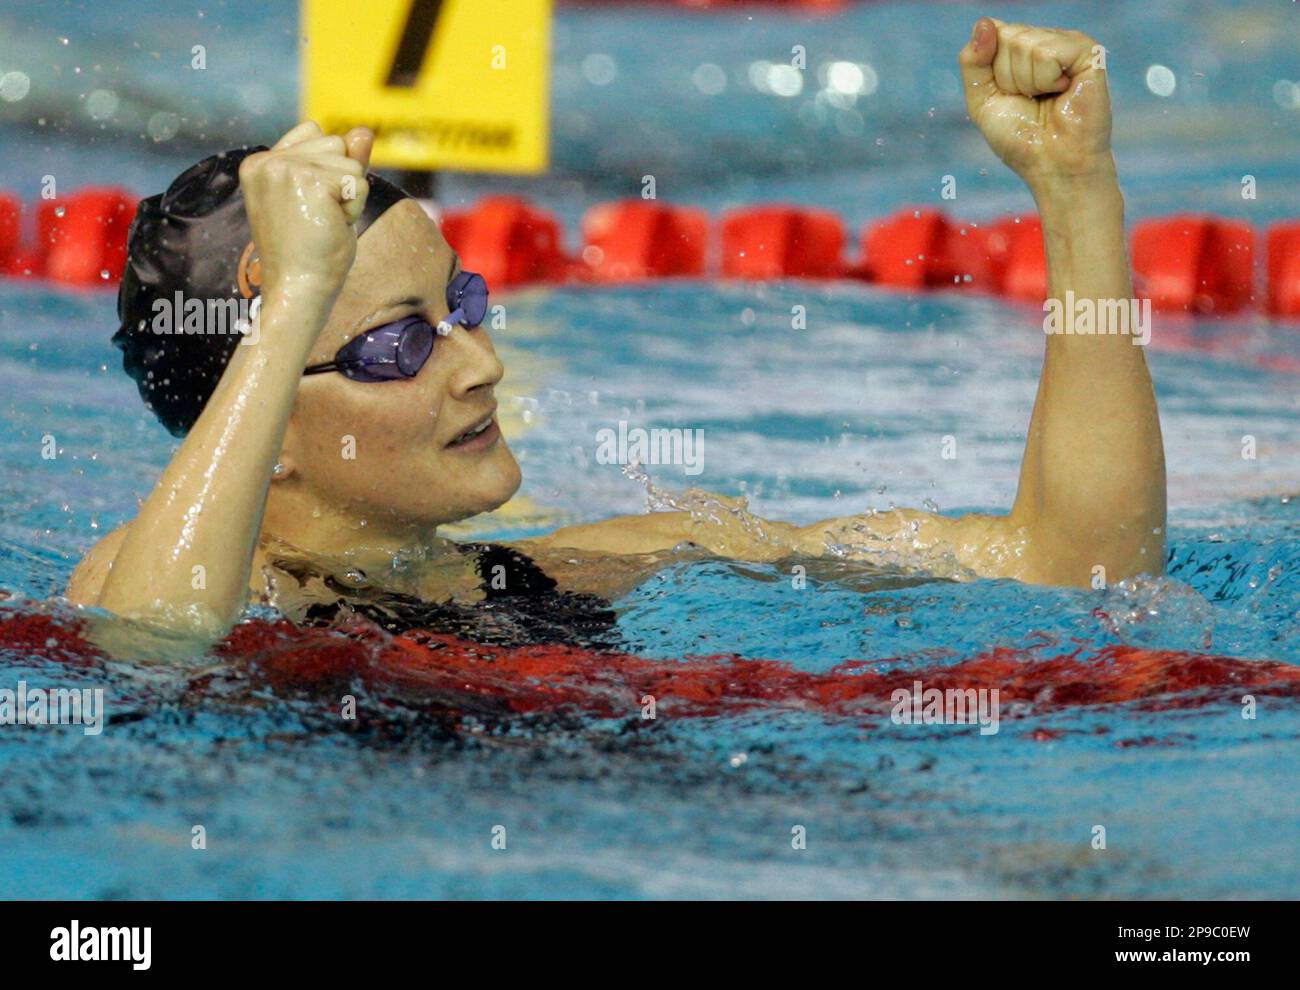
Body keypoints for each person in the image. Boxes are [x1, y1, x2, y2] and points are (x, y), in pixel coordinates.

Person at [66, 17, 1166, 649]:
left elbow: (1077, 566)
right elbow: (156, 644)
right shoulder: (181, 580)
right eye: (401, 344)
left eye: (463, 306)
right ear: (271, 424)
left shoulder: (585, 568)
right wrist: (294, 294)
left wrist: (1076, 198)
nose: (482, 362)